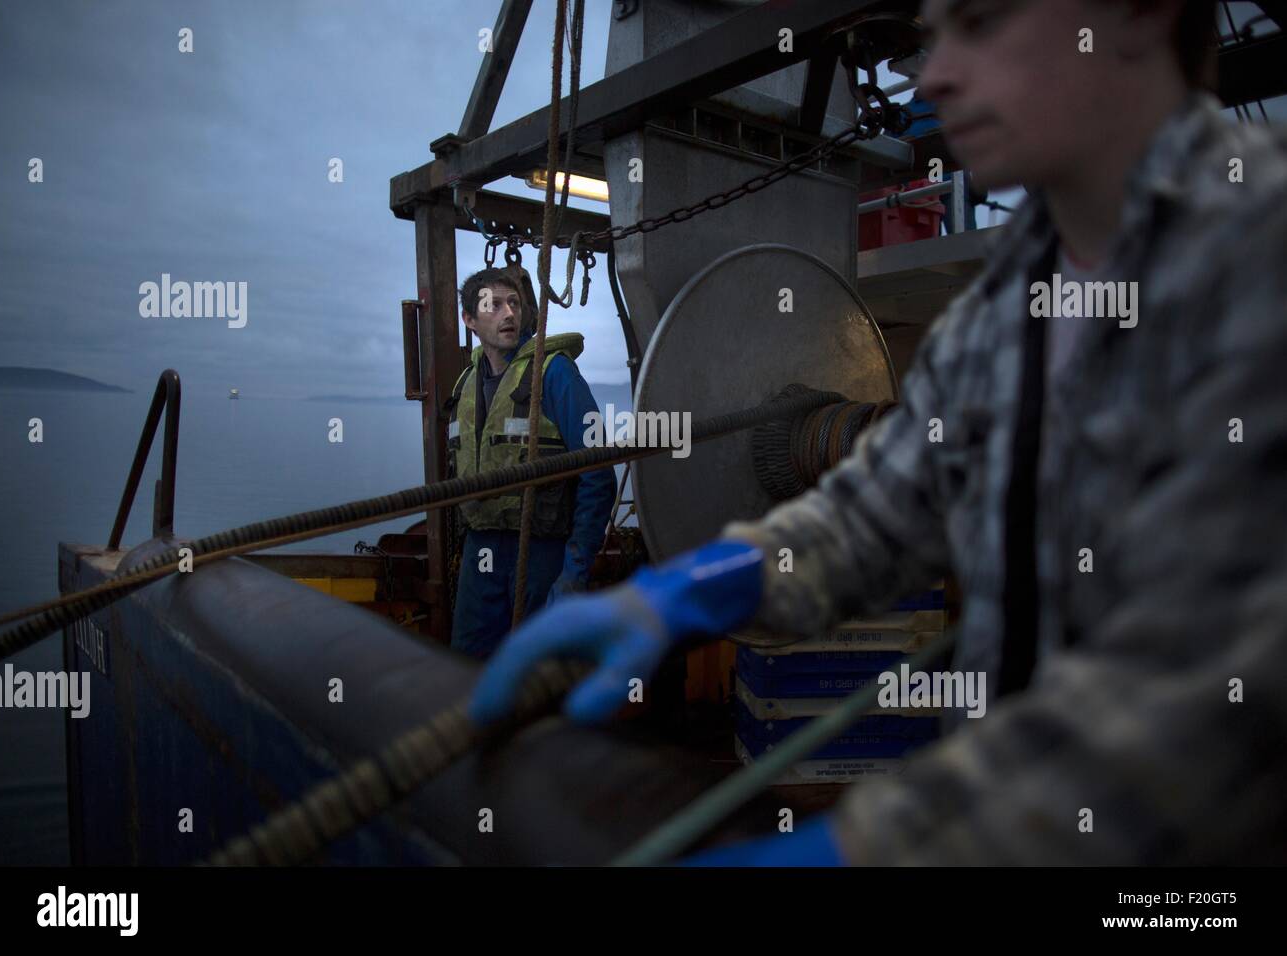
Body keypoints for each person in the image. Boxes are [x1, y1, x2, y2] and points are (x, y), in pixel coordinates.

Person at [468, 0, 1287, 864]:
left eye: (980, 20)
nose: (931, 73)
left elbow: (1197, 707)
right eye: (933, 34)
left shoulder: (1259, 247)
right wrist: (696, 590)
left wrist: (862, 848)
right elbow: (878, 509)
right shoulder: (1017, 296)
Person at [447, 267, 617, 659]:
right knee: (467, 667)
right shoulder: (465, 385)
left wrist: (574, 571)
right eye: (493, 305)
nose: (508, 313)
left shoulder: (555, 374)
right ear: (469, 320)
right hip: (481, 552)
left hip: (541, 552)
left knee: (537, 674)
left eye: (515, 304)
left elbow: (598, 473)